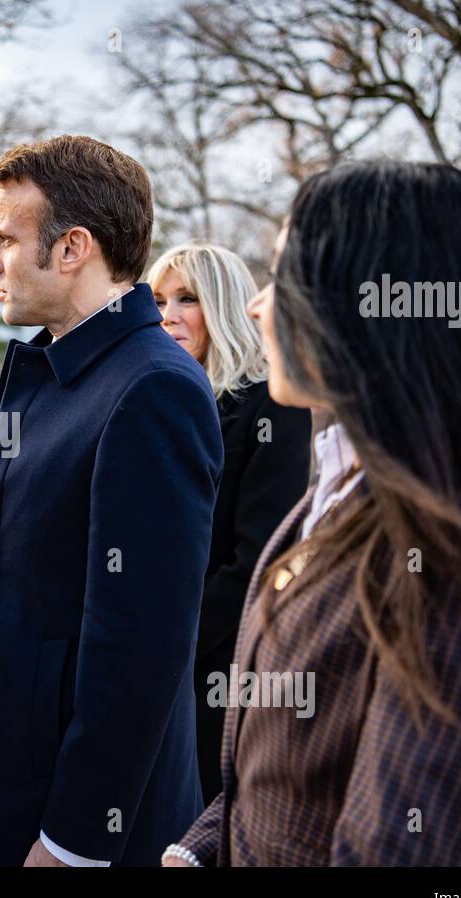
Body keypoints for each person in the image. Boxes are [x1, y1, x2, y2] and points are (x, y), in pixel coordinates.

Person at [163, 161, 461, 867]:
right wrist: (199, 849)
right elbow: (294, 764)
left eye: (287, 276)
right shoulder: (345, 484)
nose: (257, 306)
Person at [0, 135, 223, 867]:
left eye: (5, 238)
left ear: (72, 248)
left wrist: (75, 842)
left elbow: (142, 647)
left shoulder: (152, 388)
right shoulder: (55, 367)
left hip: (56, 811)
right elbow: (34, 555)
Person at [148, 242, 312, 803]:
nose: (166, 314)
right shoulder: (156, 404)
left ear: (221, 305)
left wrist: (173, 643)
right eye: (158, 299)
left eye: (186, 298)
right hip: (141, 656)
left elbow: (257, 559)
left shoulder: (272, 406)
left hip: (216, 667)